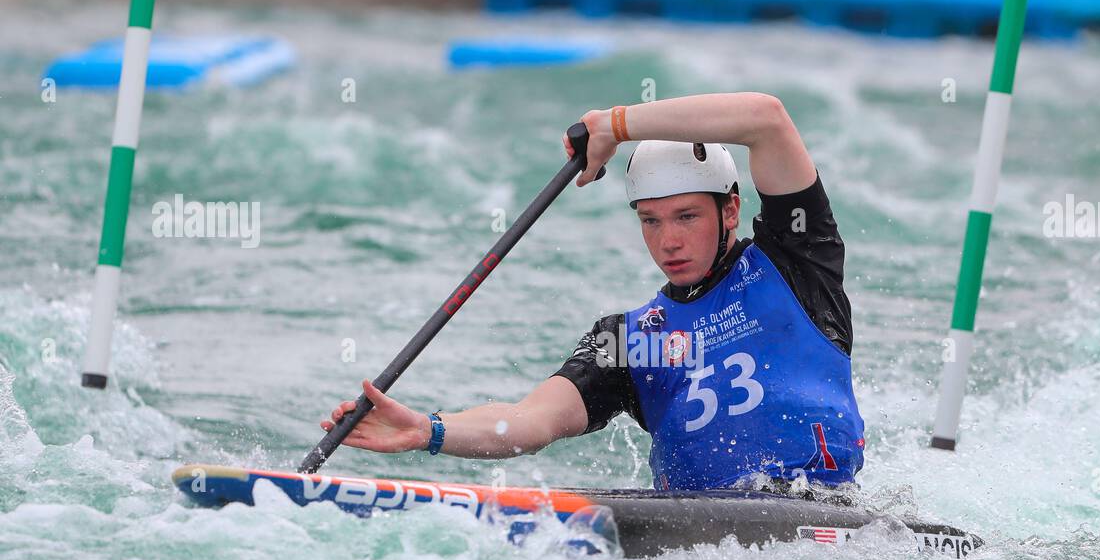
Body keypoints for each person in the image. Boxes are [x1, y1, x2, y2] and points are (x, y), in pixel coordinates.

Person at [321, 92, 865, 492]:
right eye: (649, 221)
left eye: (686, 216)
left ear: (730, 210)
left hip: (826, 519)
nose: (668, 240)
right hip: (699, 545)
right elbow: (533, 422)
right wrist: (429, 429)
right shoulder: (635, 341)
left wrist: (615, 125)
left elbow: (766, 119)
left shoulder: (796, 263)